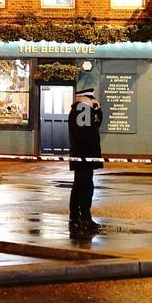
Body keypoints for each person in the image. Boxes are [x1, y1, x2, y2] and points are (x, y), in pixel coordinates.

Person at [67, 86, 104, 237]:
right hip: (84, 157)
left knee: (78, 186)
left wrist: (96, 111)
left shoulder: (81, 110)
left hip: (81, 156)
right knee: (85, 186)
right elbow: (86, 134)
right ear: (83, 99)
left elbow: (94, 126)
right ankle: (85, 218)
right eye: (91, 99)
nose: (93, 101)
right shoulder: (82, 110)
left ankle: (75, 216)